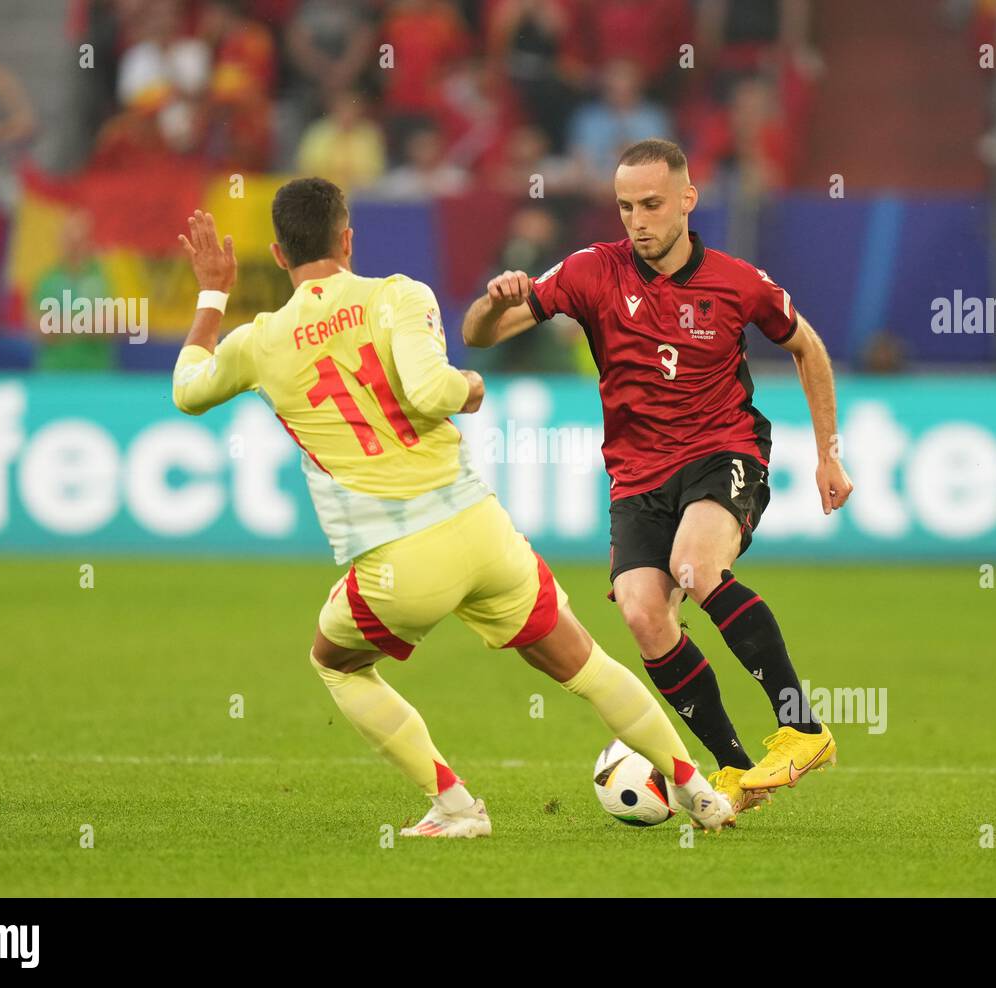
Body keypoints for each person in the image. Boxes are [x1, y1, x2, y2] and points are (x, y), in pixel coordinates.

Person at [169, 178, 734, 838]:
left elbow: (186, 392)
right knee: (586, 664)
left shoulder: (260, 341)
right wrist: (470, 385)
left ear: (277, 253)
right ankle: (698, 791)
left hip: (399, 560)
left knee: (335, 663)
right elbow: (432, 389)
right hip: (482, 531)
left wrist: (213, 292)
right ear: (347, 239)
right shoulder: (398, 295)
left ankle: (457, 806)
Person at [461, 138, 853, 813]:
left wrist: (828, 451)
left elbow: (807, 346)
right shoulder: (589, 271)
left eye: (650, 204)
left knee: (696, 568)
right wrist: (496, 301)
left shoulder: (739, 283)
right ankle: (732, 768)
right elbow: (478, 336)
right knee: (644, 613)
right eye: (624, 207)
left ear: (686, 201)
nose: (637, 221)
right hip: (638, 474)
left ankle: (802, 726)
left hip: (721, 448)